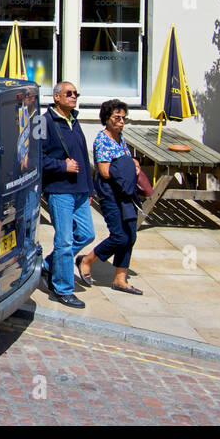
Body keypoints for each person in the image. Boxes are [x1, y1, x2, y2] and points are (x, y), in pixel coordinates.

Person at [77, 99, 144, 295]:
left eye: (123, 118)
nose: (121, 121)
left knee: (131, 235)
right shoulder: (102, 139)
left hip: (126, 193)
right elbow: (105, 171)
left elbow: (124, 164)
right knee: (119, 236)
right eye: (117, 118)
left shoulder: (120, 138)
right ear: (106, 119)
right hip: (110, 195)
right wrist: (129, 165)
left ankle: (120, 279)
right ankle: (86, 260)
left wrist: (132, 163)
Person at [39, 81, 96, 308]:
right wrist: (62, 167)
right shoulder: (43, 122)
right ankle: (62, 289)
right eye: (69, 93)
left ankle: (48, 264)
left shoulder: (74, 119)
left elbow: (83, 155)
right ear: (56, 97)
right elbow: (37, 158)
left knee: (86, 233)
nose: (74, 97)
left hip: (80, 190)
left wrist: (90, 188)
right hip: (60, 190)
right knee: (64, 240)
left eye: (76, 94)